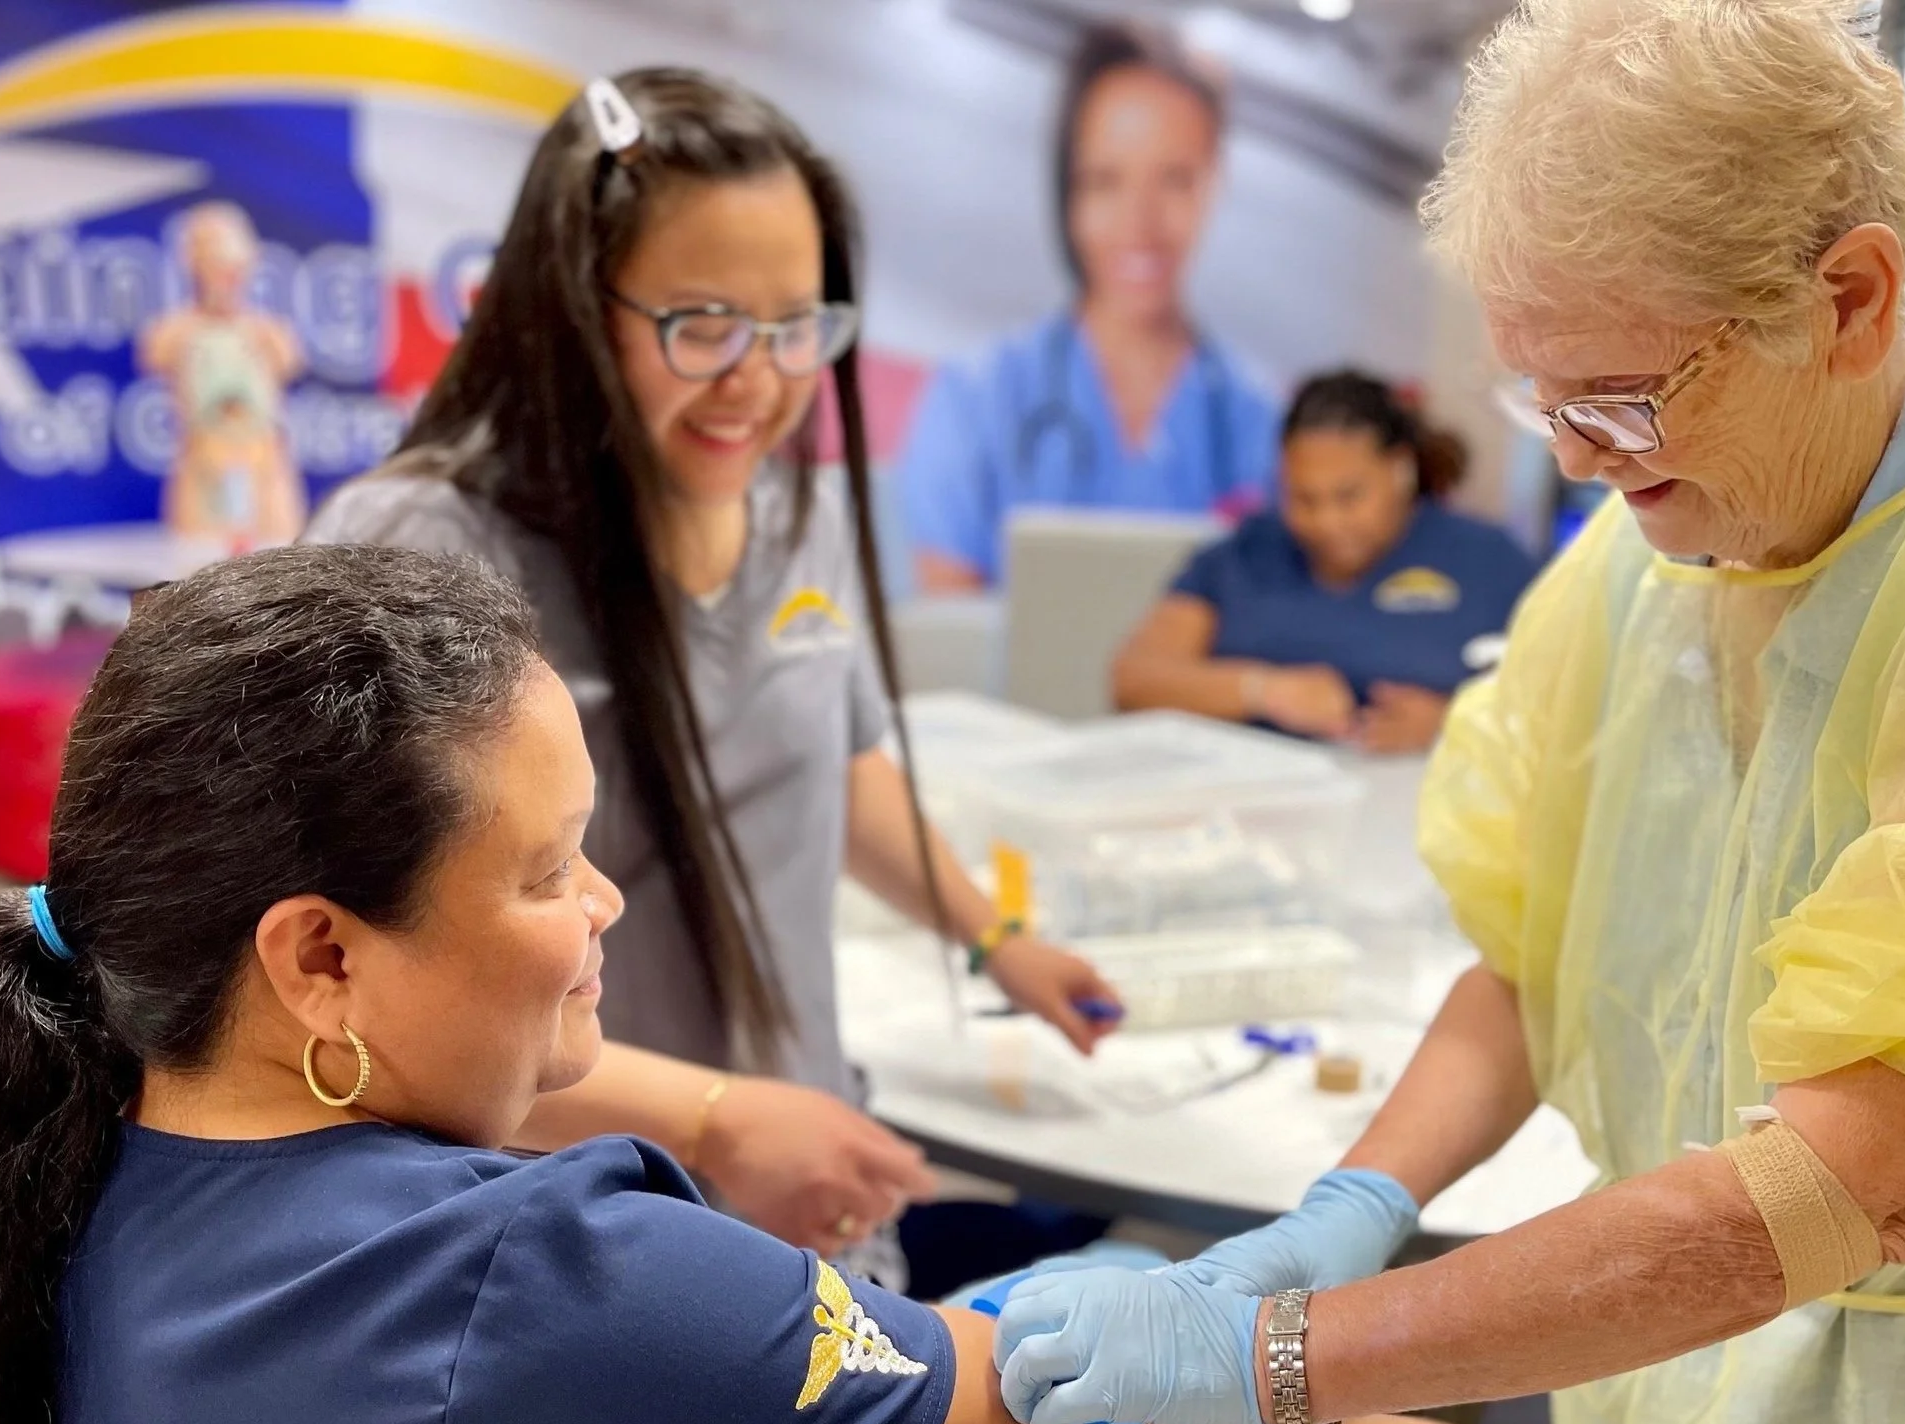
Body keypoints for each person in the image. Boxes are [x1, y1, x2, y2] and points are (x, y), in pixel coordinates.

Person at [983, 3, 1905, 1424]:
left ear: (1850, 299)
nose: (1585, 461)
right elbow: (1533, 959)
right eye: (1539, 403)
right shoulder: (1650, 558)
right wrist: (1351, 1205)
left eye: (1618, 398)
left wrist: (1288, 1359)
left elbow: (1841, 1187)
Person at [0, 544, 1596, 1424]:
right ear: (320, 958)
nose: (604, 905)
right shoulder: (553, 1296)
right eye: (548, 868)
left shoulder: (73, 1168)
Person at [309, 71, 1119, 1269]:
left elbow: (833, 763)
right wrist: (711, 1121)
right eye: (701, 323)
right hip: (559, 1227)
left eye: (796, 327)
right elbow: (370, 990)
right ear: (571, 306)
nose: (758, 380)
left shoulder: (802, 515)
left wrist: (995, 936)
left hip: (800, 1195)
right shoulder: (422, 548)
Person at [892, 21, 1279, 594]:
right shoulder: (974, 400)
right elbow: (949, 628)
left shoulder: (1260, 427)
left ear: (1214, 184)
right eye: (1104, 181)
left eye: (1175, 181)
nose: (1139, 223)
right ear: (1067, 191)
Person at [1111, 370, 1535, 752]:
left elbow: (1554, 711)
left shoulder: (1489, 562)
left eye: (1349, 497)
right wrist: (1262, 691)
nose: (1327, 522)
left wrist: (1451, 724)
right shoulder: (1245, 555)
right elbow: (1135, 679)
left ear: (1401, 471)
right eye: (1304, 499)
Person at [138, 201, 305, 553]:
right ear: (195, 266)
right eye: (215, 265)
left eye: (233, 266)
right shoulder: (174, 332)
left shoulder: (269, 333)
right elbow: (155, 355)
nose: (226, 277)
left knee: (275, 559)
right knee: (202, 562)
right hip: (204, 465)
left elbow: (290, 362)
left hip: (262, 468)